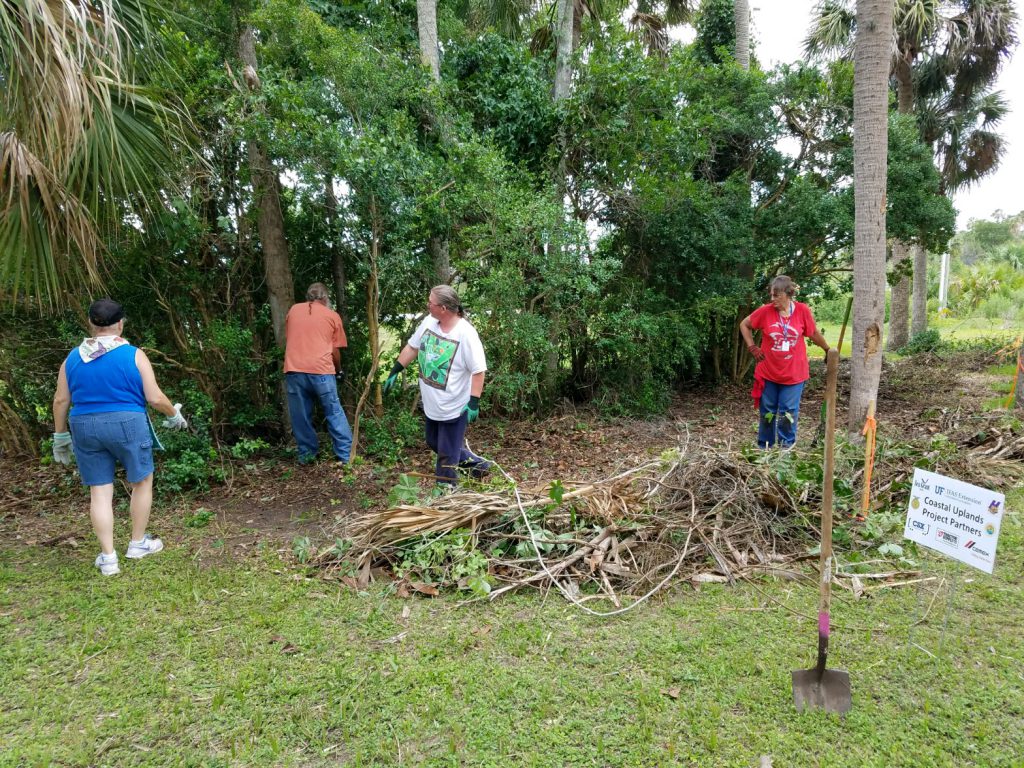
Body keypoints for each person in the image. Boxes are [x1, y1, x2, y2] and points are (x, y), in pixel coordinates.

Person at [52, 298, 188, 577]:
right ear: (121, 324)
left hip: (84, 425)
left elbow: (60, 400)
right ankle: (137, 544)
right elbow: (154, 397)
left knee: (100, 491)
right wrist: (173, 414)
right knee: (142, 481)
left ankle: (108, 557)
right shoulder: (134, 354)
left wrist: (60, 435)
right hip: (127, 422)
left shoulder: (72, 358)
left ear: (90, 323)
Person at [382, 285, 490, 487]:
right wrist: (395, 370)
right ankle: (479, 466)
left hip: (453, 407)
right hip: (432, 405)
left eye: (430, 302)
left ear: (443, 308)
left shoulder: (466, 334)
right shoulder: (429, 322)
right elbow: (412, 347)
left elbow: (478, 370)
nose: (427, 304)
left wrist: (474, 402)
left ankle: (446, 495)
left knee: (445, 460)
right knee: (434, 442)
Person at [740, 276, 830, 449]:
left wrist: (827, 349)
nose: (772, 299)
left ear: (788, 294)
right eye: (771, 295)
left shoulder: (802, 311)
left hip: (794, 373)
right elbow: (744, 324)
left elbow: (813, 333)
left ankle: (785, 448)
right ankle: (765, 447)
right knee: (768, 411)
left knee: (788, 411)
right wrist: (752, 347)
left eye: (776, 295)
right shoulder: (765, 311)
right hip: (768, 371)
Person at [283, 282, 352, 464]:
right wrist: (339, 370)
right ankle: (345, 456)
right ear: (325, 298)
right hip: (322, 371)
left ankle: (307, 455)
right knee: (334, 411)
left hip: (294, 370)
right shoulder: (331, 315)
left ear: (308, 297)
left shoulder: (293, 311)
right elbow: (335, 350)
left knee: (300, 415)